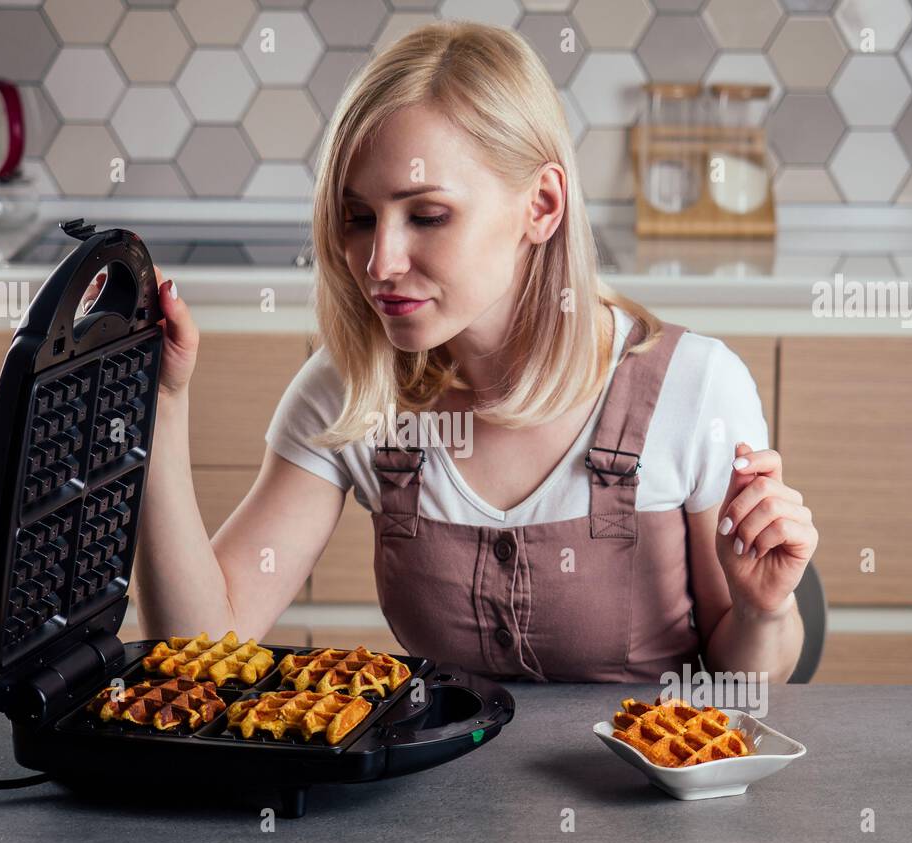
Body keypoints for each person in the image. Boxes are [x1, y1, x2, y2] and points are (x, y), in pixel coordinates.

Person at [126, 21, 817, 683]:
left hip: (644, 799)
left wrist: (765, 609)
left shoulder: (694, 392)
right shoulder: (353, 393)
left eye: (426, 216)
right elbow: (195, 651)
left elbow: (749, 674)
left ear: (541, 206)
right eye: (359, 217)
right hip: (444, 806)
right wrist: (162, 405)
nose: (379, 263)